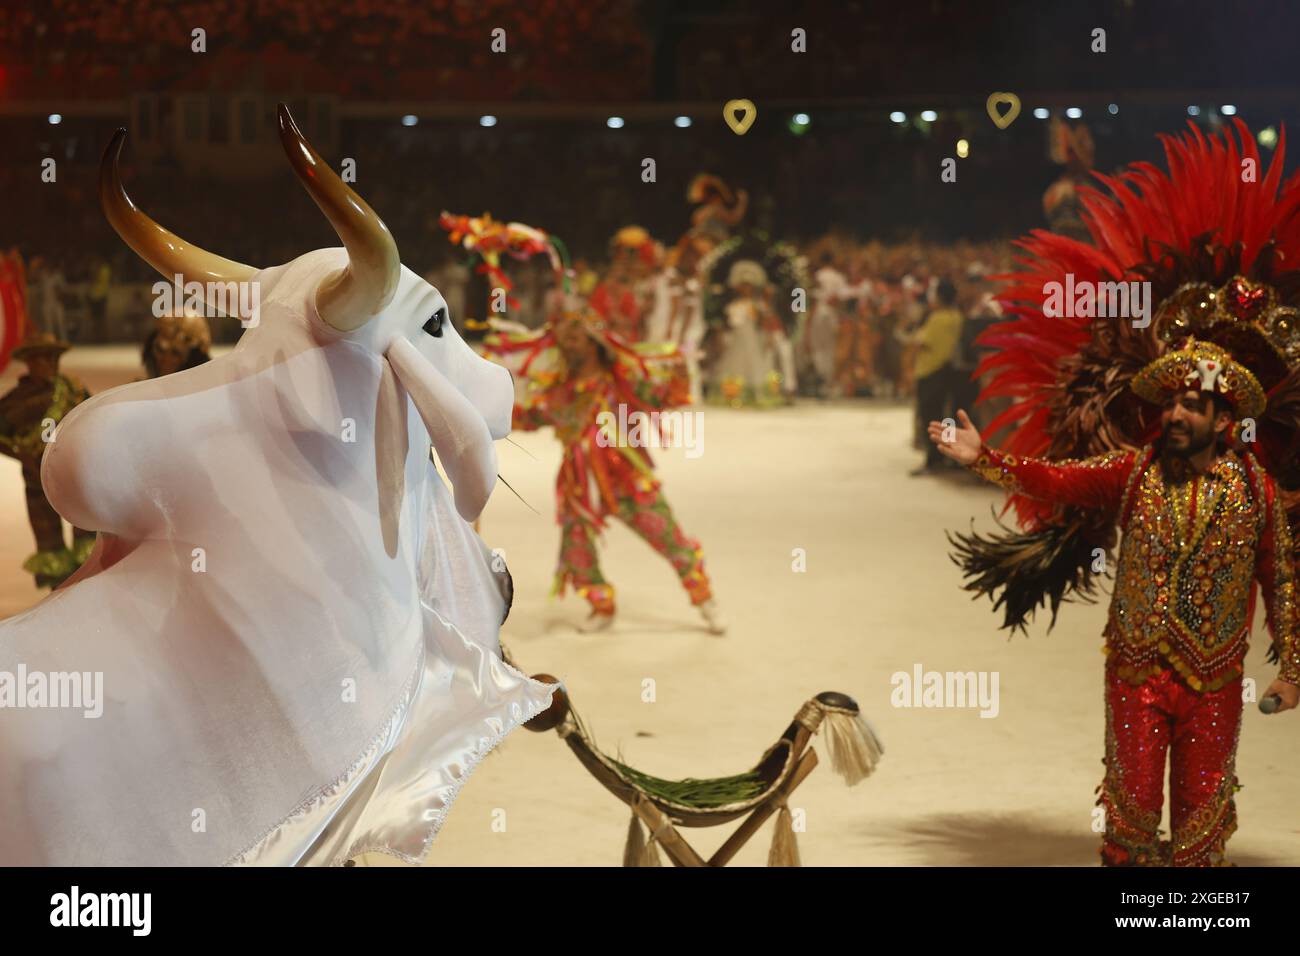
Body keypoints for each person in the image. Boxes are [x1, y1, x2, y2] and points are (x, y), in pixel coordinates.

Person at [931, 339, 1297, 866]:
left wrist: (1292, 669)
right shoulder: (1135, 472)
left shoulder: (1255, 492)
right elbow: (1056, 478)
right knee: (1130, 822)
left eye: (1190, 406)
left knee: (1202, 829)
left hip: (1215, 680)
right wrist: (984, 459)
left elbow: (1280, 580)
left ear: (1223, 422)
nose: (1173, 414)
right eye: (1170, 404)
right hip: (1137, 673)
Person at [486, 299, 724, 635]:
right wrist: (485, 407)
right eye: (564, 339)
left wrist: (680, 374)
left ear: (595, 342)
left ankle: (704, 599)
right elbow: (527, 417)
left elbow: (663, 396)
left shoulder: (620, 383)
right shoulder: (559, 392)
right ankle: (601, 603)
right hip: (580, 489)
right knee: (577, 554)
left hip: (628, 481)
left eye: (576, 336)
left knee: (671, 541)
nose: (568, 344)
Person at [0, 329, 94, 587]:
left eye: (53, 358)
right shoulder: (17, 401)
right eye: (43, 358)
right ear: (30, 362)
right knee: (48, 538)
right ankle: (58, 589)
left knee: (87, 530)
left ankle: (87, 581)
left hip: (74, 474)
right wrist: (20, 455)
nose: (50, 364)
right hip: (37, 481)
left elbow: (92, 416)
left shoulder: (72, 389)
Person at [708, 259, 784, 407]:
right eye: (744, 286)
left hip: (753, 339)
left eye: (749, 286)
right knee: (735, 365)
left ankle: (756, 395)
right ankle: (734, 394)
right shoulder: (734, 305)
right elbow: (730, 325)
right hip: (738, 339)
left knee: (755, 365)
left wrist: (768, 335)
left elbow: (764, 323)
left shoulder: (758, 304)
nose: (746, 289)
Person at [909, 278, 964, 475]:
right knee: (945, 417)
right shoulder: (957, 317)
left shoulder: (937, 318)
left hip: (929, 371)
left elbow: (919, 341)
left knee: (930, 419)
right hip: (948, 372)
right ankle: (947, 457)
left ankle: (934, 460)